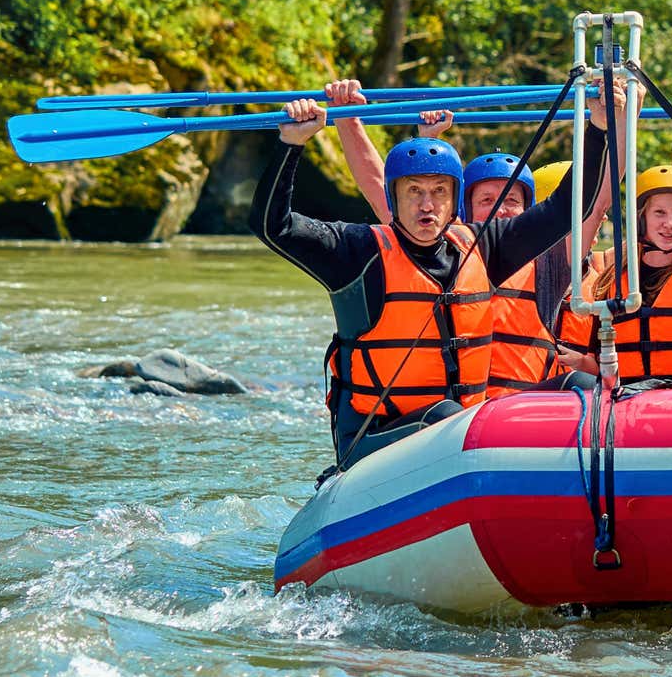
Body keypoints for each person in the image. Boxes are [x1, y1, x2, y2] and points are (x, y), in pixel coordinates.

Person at [251, 88, 616, 472]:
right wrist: (290, 145)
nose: (427, 205)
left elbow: (564, 211)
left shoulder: (483, 248)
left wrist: (598, 129)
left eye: (439, 192)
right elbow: (272, 226)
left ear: (453, 199)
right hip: (376, 439)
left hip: (463, 432)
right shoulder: (355, 252)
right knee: (445, 414)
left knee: (581, 387)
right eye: (414, 192)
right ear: (393, 197)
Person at [320, 79, 605, 402]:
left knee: (582, 381)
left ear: (528, 210)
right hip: (456, 416)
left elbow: (592, 205)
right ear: (463, 207)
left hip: (523, 410)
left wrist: (612, 122)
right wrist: (347, 119)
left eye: (511, 200)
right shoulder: (442, 247)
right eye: (487, 200)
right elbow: (379, 187)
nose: (501, 210)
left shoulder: (549, 260)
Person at [555, 165, 672, 392]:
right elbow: (602, 363)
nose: (669, 224)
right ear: (640, 218)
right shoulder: (612, 283)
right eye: (659, 213)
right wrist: (581, 363)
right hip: (625, 403)